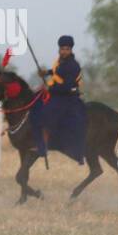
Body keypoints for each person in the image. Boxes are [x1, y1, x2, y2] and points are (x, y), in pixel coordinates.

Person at [33, 34, 87, 163]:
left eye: (67, 49)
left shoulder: (73, 65)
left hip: (68, 97)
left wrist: (49, 89)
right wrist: (46, 72)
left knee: (44, 114)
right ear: (59, 49)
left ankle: (43, 147)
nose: (64, 51)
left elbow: (67, 86)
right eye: (63, 49)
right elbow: (57, 71)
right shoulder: (61, 62)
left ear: (71, 50)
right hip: (58, 94)